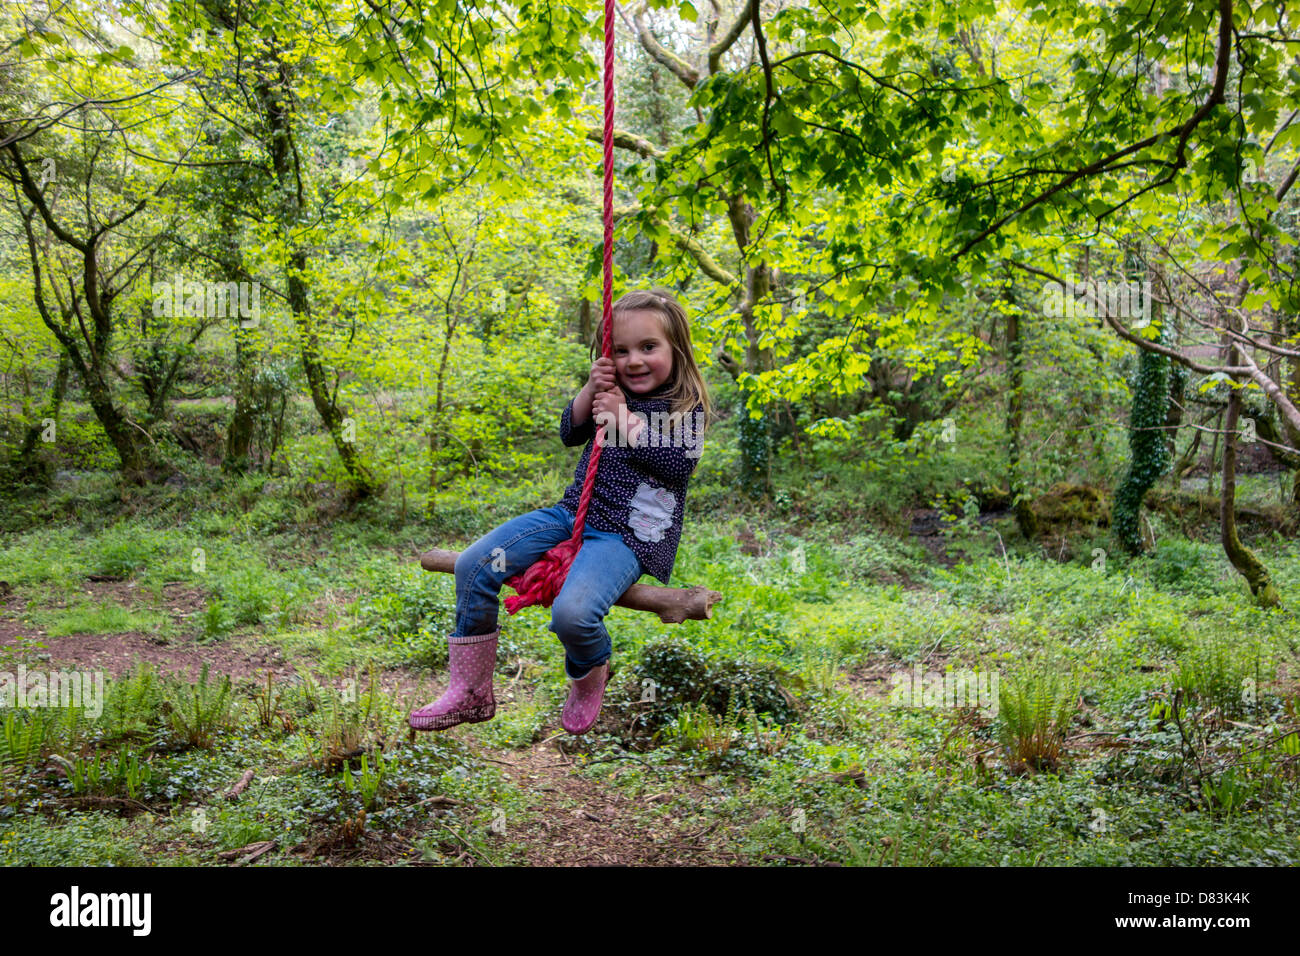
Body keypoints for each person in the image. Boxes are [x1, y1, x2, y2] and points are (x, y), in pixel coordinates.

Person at [409, 288, 712, 735]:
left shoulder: (684, 408)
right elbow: (570, 432)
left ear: (676, 349)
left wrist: (626, 422)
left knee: (572, 614)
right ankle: (471, 689)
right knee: (475, 564)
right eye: (622, 350)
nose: (634, 361)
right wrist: (592, 389)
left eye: (649, 347)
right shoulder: (611, 392)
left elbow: (677, 465)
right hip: (570, 516)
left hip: (625, 537)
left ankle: (589, 671)